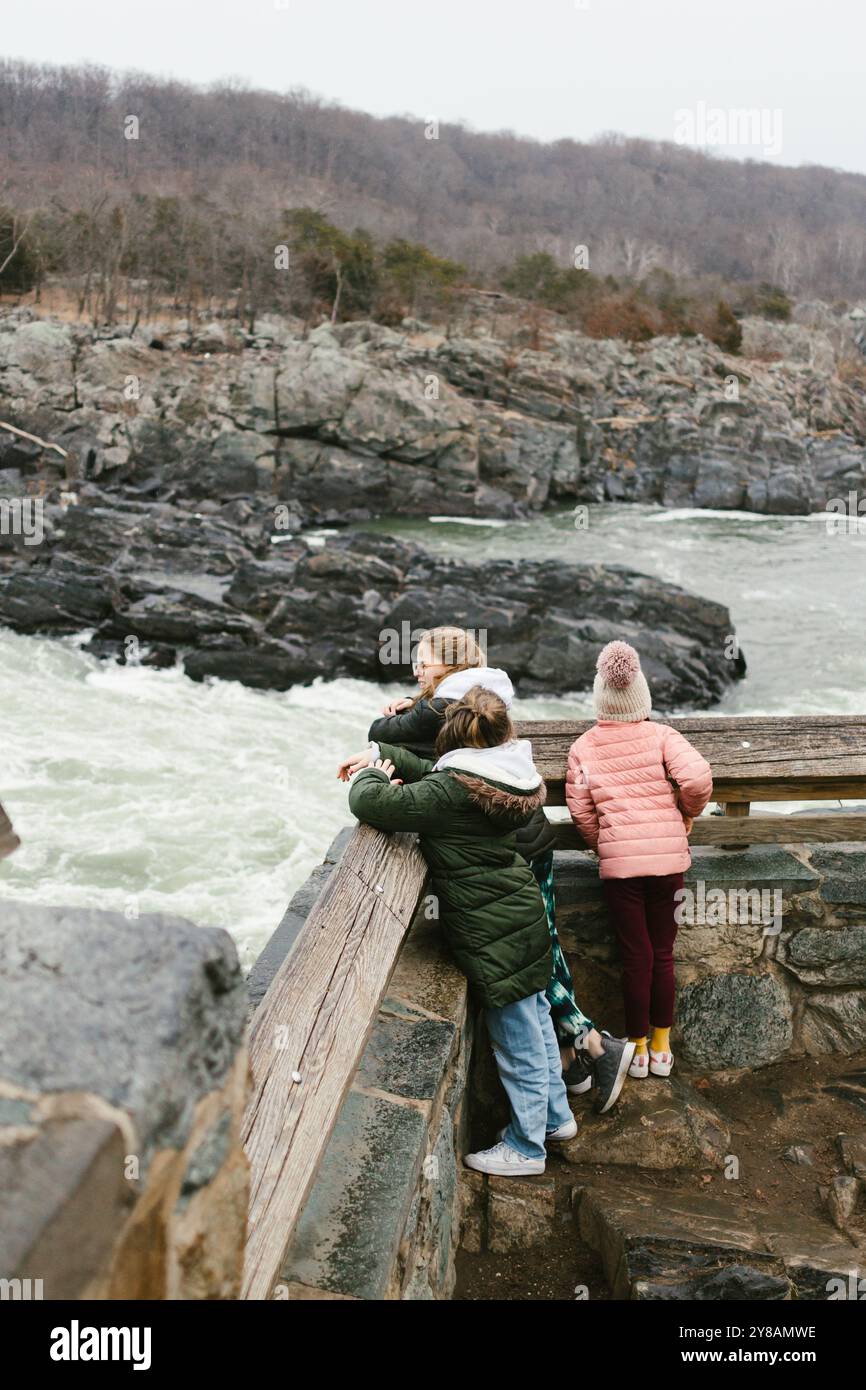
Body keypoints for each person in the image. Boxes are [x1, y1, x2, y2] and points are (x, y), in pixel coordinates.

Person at [344, 686, 634, 1174]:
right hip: (522, 918)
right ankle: (556, 1120)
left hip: (491, 932)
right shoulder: (509, 777)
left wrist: (370, 773)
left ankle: (526, 1148)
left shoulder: (453, 791)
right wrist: (382, 751)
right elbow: (437, 780)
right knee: (540, 1027)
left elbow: (373, 803)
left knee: (518, 1043)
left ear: (451, 742)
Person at [565, 641, 713, 1079]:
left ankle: (636, 1046)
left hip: (621, 870)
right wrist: (685, 813)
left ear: (601, 701)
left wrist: (602, 843)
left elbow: (580, 811)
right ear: (642, 698)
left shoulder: (584, 747)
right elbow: (698, 779)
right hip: (669, 862)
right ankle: (663, 1049)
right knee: (663, 953)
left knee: (636, 956)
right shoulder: (663, 735)